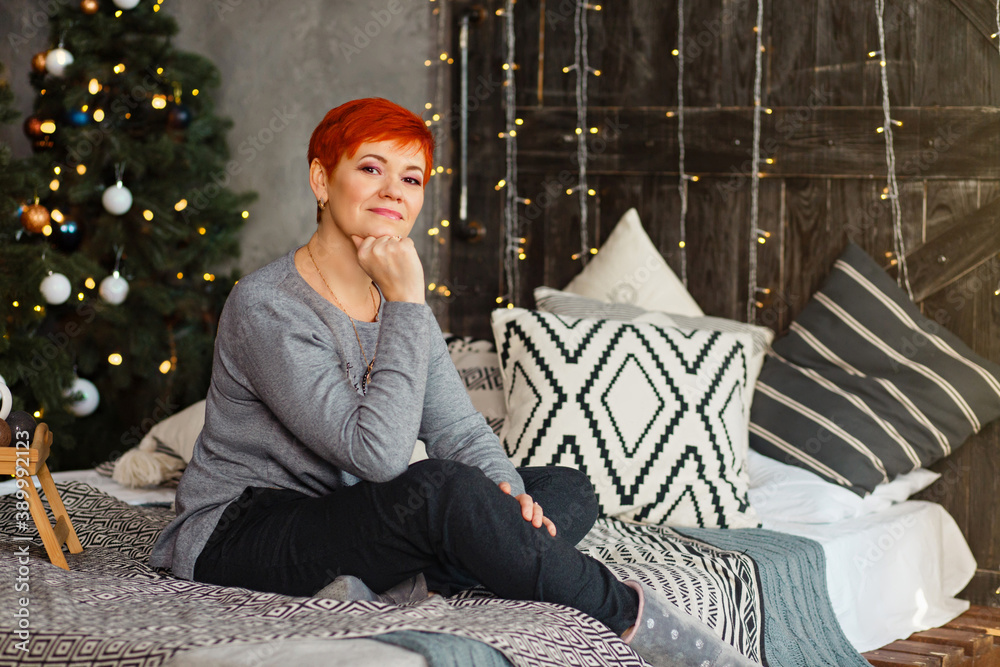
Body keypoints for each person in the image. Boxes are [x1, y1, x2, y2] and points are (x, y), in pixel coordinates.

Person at [149, 98, 756, 667]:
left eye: (411, 178)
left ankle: (400, 581)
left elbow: (459, 428)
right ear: (320, 180)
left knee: (564, 490)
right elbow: (380, 456)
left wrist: (505, 492)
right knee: (443, 491)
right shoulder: (268, 305)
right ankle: (639, 621)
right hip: (241, 533)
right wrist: (408, 304)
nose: (394, 192)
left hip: (346, 517)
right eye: (371, 168)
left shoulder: (396, 298)